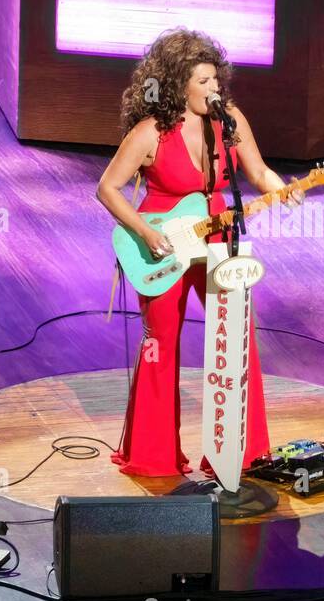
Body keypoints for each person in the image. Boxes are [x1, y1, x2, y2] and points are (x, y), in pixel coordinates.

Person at [96, 29, 303, 477]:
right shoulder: (150, 132)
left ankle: (239, 453)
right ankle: (153, 456)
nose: (214, 89)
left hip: (218, 237)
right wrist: (144, 233)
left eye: (216, 81)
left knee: (237, 341)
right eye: (204, 82)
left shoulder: (228, 120)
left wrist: (281, 189)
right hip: (164, 244)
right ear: (178, 84)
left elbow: (259, 170)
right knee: (160, 343)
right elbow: (107, 188)